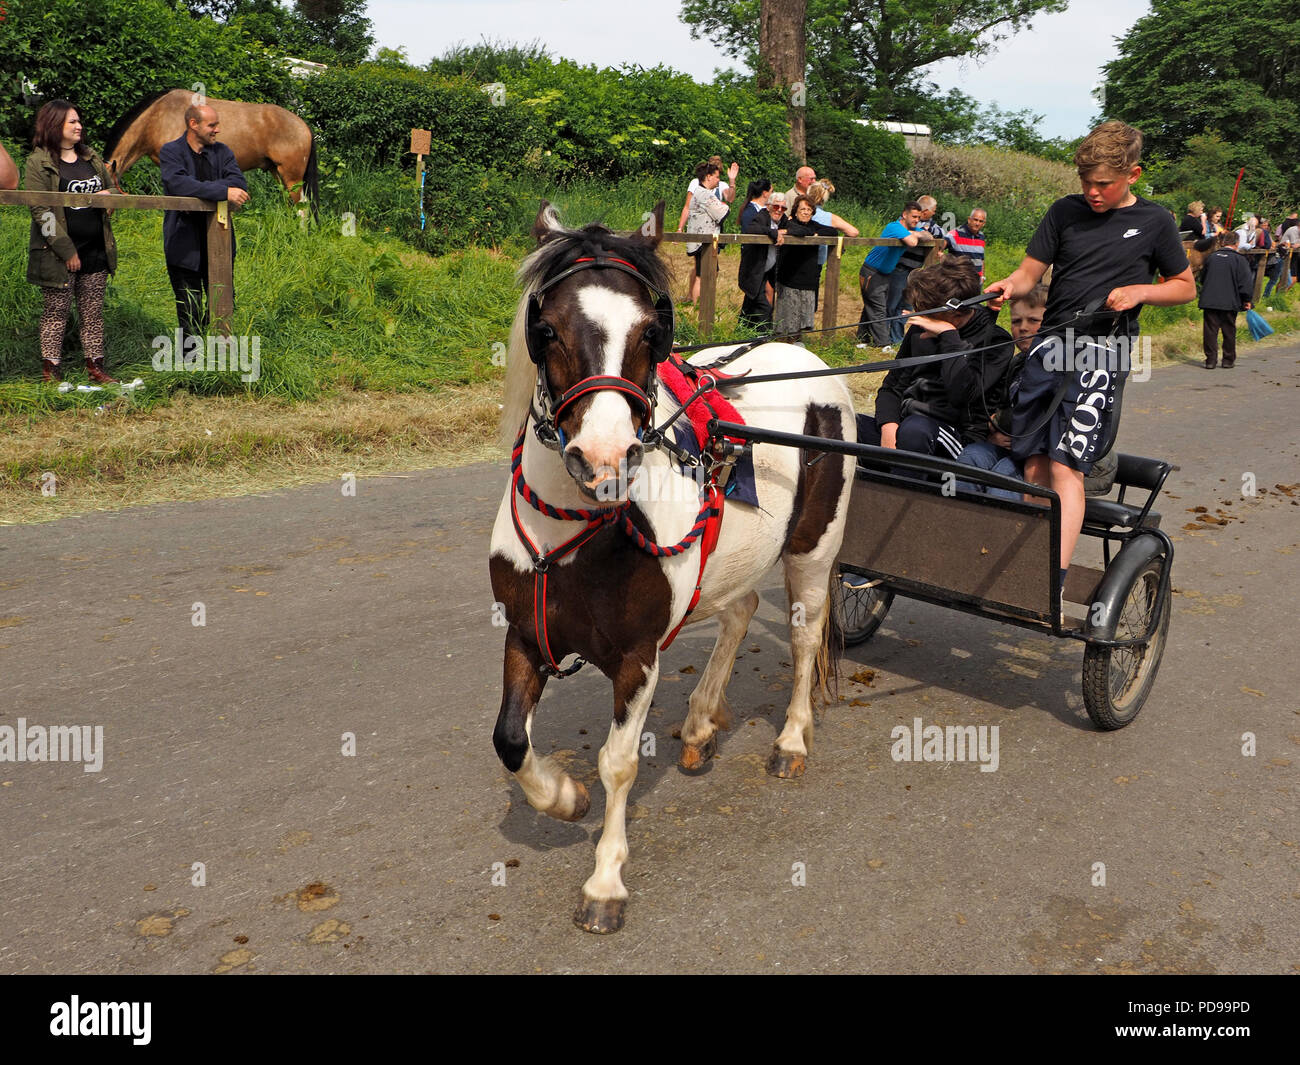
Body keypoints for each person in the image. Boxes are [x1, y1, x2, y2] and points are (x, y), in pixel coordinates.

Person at [984, 120, 1194, 592]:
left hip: (1101, 351)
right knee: (1033, 460)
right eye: (1086, 182)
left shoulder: (1156, 222)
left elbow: (1184, 288)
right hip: (1049, 348)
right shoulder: (1065, 212)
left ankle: (1050, 579)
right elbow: (1027, 273)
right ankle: (1030, 563)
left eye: (1104, 184)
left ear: (1133, 175)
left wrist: (1141, 291)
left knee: (1064, 465)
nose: (1093, 192)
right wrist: (1007, 286)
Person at [855, 255, 1015, 463]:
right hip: (906, 426)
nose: (920, 317)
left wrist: (948, 336)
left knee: (915, 431)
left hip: (958, 436)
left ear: (954, 314)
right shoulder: (920, 329)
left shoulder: (997, 341)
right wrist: (888, 426)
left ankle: (903, 494)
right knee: (840, 422)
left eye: (928, 313)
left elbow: (963, 395)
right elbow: (892, 386)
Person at [25, 99, 119, 384]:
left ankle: (96, 369)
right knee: (56, 313)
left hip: (96, 250)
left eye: (79, 121)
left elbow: (114, 188)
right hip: (57, 255)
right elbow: (40, 211)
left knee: (93, 313)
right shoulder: (38, 162)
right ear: (55, 126)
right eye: (72, 122)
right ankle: (51, 373)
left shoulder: (90, 157)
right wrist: (67, 250)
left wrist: (110, 196)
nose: (79, 126)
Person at [160, 103, 250, 360]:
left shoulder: (222, 152)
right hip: (183, 242)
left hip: (219, 242)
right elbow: (176, 183)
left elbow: (239, 185)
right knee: (188, 306)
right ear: (193, 124)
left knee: (221, 302)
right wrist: (221, 192)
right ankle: (191, 365)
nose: (218, 130)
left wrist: (200, 189)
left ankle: (221, 361)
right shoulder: (171, 151)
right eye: (212, 125)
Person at [953, 284, 1049, 500]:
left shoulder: (1057, 365)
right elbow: (1000, 406)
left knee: (1003, 475)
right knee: (971, 456)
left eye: (1033, 321)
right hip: (1010, 445)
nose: (1022, 328)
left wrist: (1000, 422)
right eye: (1016, 321)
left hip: (1040, 454)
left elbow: (1036, 414)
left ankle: (999, 530)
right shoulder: (1017, 364)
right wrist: (994, 431)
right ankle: (961, 522)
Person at [857, 202, 926, 349]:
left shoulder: (910, 229)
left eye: (919, 218)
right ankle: (882, 343)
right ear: (904, 215)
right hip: (872, 271)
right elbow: (913, 242)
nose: (916, 220)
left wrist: (917, 232)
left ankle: (863, 338)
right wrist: (915, 234)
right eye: (914, 217)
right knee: (878, 308)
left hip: (885, 273)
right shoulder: (894, 227)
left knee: (871, 305)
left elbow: (928, 235)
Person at [772, 195, 837, 337]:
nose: (806, 212)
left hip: (808, 280)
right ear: (795, 211)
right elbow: (800, 231)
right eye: (803, 209)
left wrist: (815, 232)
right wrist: (791, 232)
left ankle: (797, 341)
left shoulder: (813, 226)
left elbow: (833, 231)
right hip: (789, 279)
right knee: (787, 320)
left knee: (803, 320)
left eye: (809, 209)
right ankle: (783, 343)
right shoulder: (788, 223)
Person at [888, 194, 946, 344]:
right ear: (926, 211)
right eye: (933, 210)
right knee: (892, 303)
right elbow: (928, 234)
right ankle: (885, 336)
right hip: (900, 269)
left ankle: (896, 338)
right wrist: (921, 232)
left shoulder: (927, 226)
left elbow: (940, 235)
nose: (935, 212)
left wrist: (924, 233)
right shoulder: (907, 224)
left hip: (914, 273)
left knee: (906, 305)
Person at [1198, 232, 1254, 369]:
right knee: (1229, 330)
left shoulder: (1211, 258)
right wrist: (1247, 299)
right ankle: (1228, 360)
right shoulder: (1240, 260)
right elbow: (1245, 283)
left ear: (1223, 242)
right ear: (1236, 244)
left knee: (1210, 331)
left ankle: (1210, 360)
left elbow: (1202, 278)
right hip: (1230, 300)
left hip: (1210, 299)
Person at [683, 161, 729, 305]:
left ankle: (704, 304)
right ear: (708, 177)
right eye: (716, 177)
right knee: (701, 276)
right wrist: (725, 206)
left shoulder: (701, 192)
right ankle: (699, 307)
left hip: (703, 240)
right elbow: (722, 212)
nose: (718, 180)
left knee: (710, 273)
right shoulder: (704, 194)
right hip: (703, 242)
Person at [737, 181, 779, 329]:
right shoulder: (751, 211)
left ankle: (743, 327)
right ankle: (764, 331)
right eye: (772, 191)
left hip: (765, 262)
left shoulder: (765, 210)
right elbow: (752, 230)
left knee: (756, 296)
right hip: (754, 261)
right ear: (765, 193)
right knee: (757, 297)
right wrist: (774, 233)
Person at [677, 155, 738, 233]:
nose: (718, 179)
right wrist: (680, 228)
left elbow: (730, 199)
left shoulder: (722, 185)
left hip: (714, 228)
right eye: (716, 176)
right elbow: (687, 207)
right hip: (698, 226)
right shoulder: (695, 183)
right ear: (709, 174)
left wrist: (732, 181)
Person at [947, 208, 987, 279]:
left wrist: (982, 276)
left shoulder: (981, 236)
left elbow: (981, 258)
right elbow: (939, 249)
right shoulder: (955, 234)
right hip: (959, 281)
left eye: (981, 221)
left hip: (975, 282)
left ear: (984, 224)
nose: (977, 223)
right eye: (975, 220)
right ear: (969, 219)